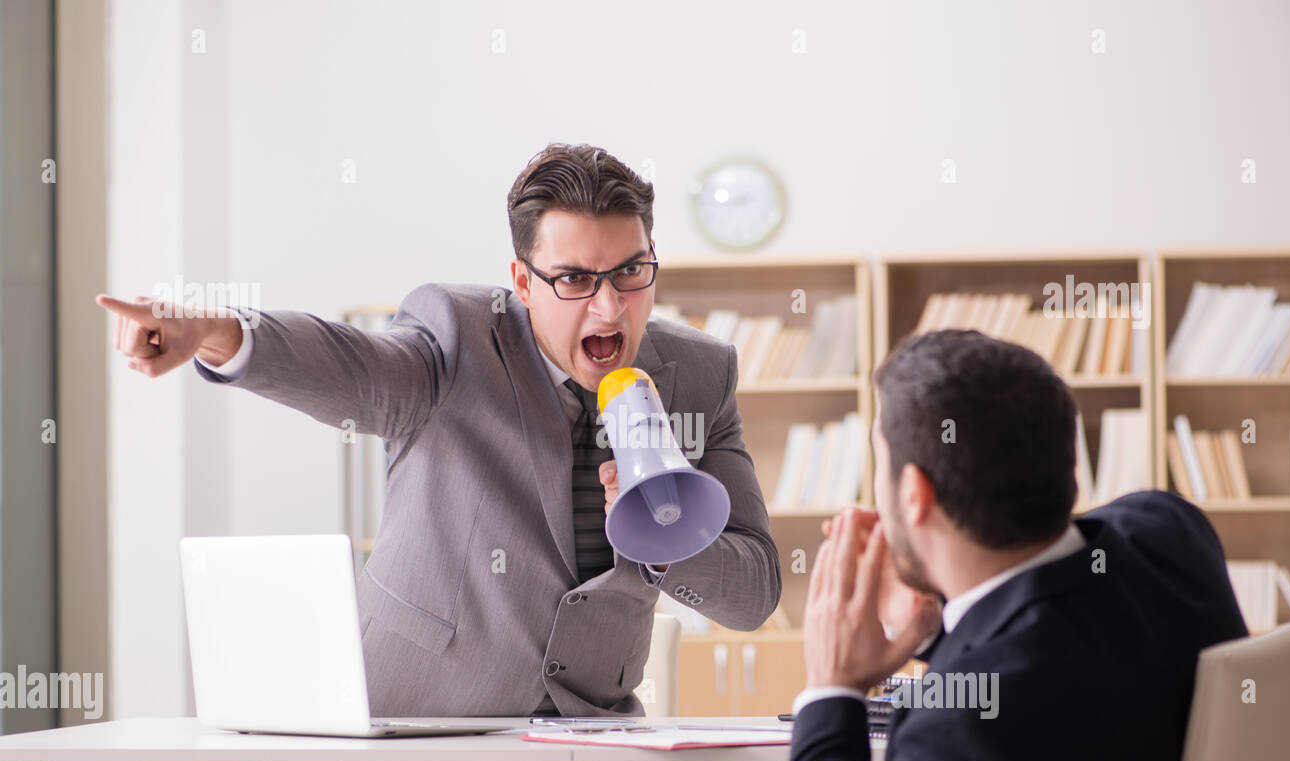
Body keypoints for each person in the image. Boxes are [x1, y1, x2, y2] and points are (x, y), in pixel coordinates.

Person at [97, 143, 781, 718]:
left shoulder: (698, 372)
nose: (609, 307)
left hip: (589, 743)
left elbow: (753, 594)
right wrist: (219, 334)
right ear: (522, 280)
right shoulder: (456, 339)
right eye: (574, 278)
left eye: (630, 271)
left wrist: (665, 540)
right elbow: (349, 366)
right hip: (410, 725)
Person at [772, 329, 1247, 761]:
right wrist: (935, 629)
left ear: (914, 495)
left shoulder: (967, 739)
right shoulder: (1169, 531)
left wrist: (833, 687)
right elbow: (1059, 624)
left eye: (879, 464)